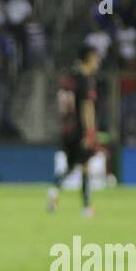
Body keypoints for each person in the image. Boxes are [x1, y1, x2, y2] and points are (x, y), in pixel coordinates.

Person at [47, 44, 101, 217]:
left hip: (66, 128)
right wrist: (90, 131)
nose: (98, 62)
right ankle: (86, 207)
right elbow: (87, 106)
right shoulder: (85, 79)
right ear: (89, 58)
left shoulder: (68, 77)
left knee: (72, 166)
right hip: (80, 130)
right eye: (95, 58)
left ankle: (54, 191)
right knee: (85, 166)